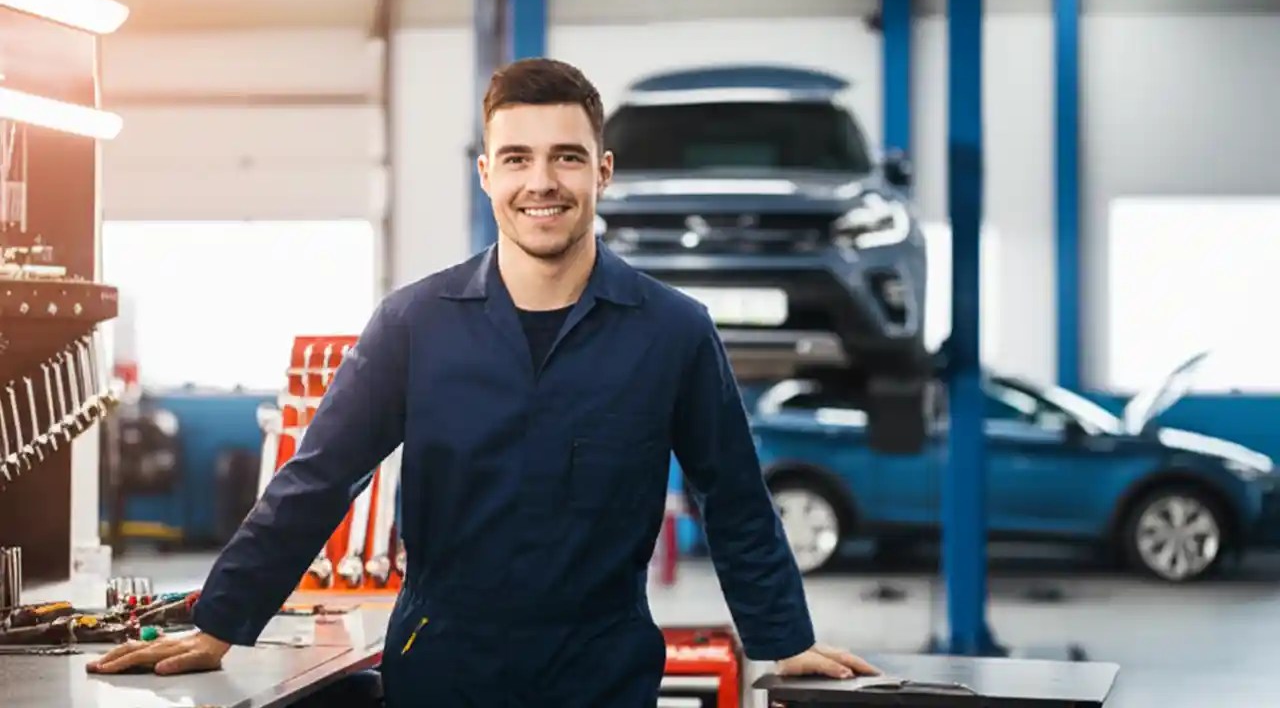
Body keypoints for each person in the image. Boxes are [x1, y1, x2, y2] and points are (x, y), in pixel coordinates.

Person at [87, 58, 879, 706]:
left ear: (602, 171)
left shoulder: (671, 331)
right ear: (486, 173)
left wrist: (785, 640)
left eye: (567, 157)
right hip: (443, 673)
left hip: (601, 681)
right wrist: (223, 620)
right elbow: (318, 479)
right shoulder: (413, 325)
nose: (544, 181)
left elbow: (733, 495)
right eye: (518, 158)